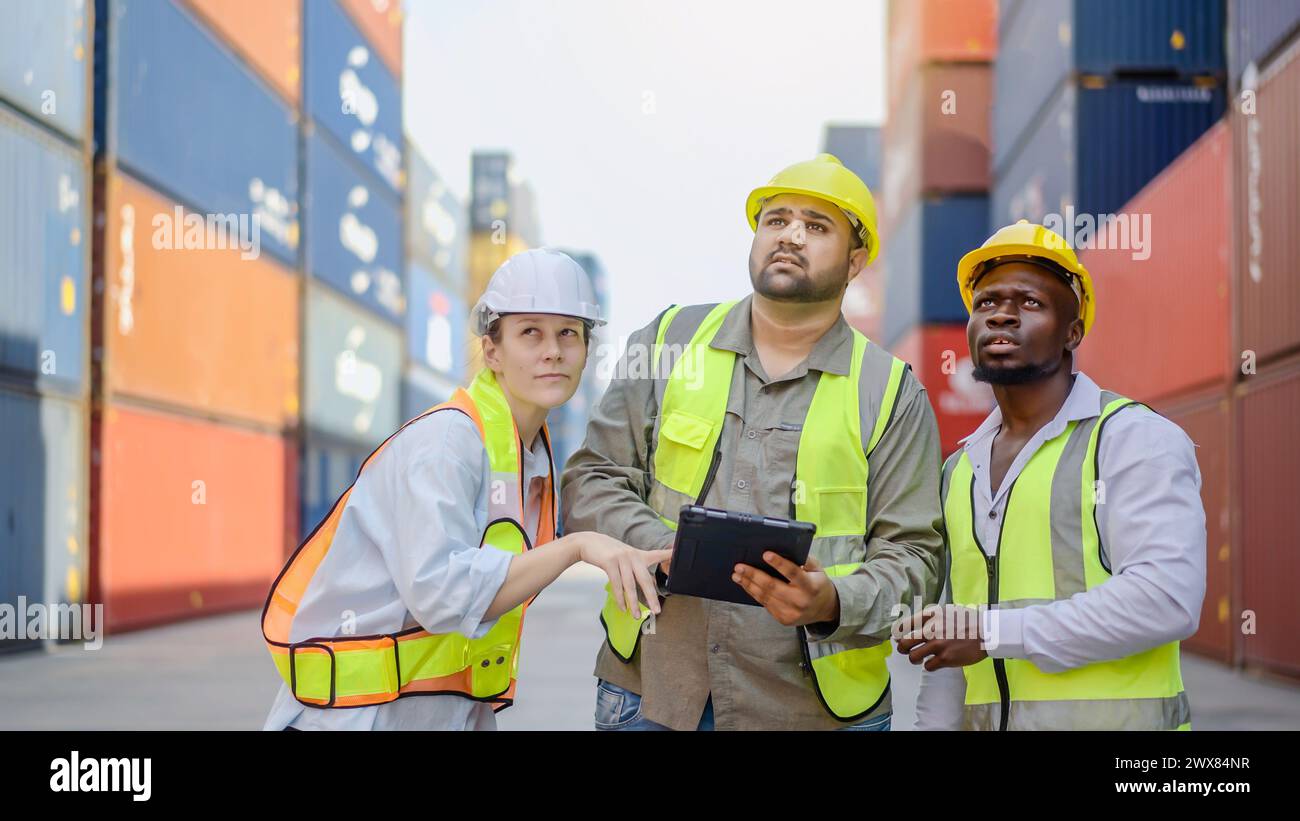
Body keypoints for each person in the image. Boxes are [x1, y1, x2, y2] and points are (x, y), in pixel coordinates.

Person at [562, 154, 945, 731]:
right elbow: (591, 477)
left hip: (815, 714)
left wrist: (832, 603)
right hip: (653, 694)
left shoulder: (890, 393)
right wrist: (664, 550)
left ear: (856, 260)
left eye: (817, 227)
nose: (791, 235)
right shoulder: (668, 342)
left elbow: (917, 559)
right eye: (776, 220)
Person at [261, 249, 669, 730]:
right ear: (492, 350)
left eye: (568, 333)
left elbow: (468, 632)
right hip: (351, 719)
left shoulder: (524, 457)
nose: (553, 350)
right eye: (530, 332)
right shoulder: (447, 442)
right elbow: (442, 595)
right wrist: (577, 546)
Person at [899, 220, 1206, 730]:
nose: (1002, 316)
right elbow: (951, 647)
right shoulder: (959, 470)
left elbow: (1167, 599)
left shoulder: (1131, 439)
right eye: (986, 303)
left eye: (1030, 303)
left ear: (1073, 332)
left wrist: (993, 631)